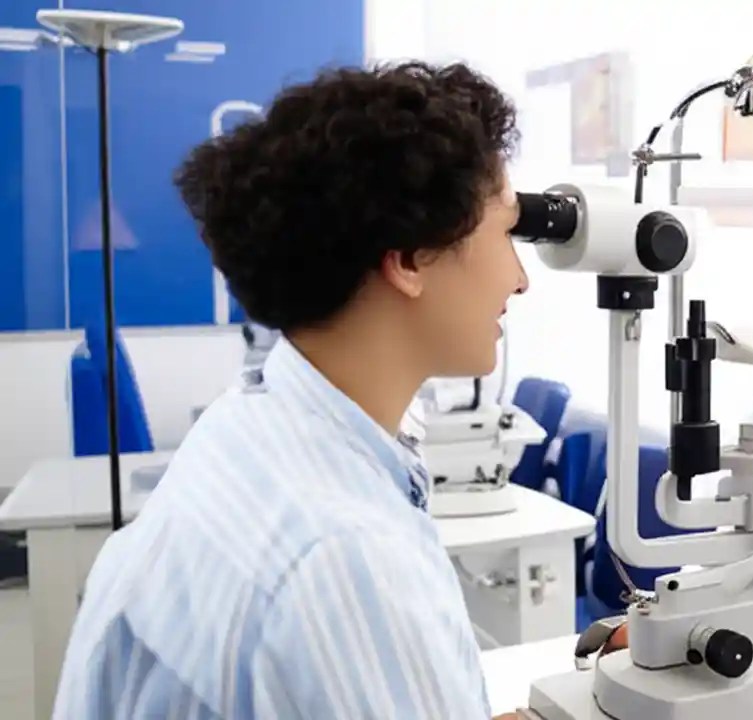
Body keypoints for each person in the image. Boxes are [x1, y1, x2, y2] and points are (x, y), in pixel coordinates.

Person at [54, 62, 529, 719]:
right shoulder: (343, 561)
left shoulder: (246, 430)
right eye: (506, 234)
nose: (521, 279)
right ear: (411, 259)